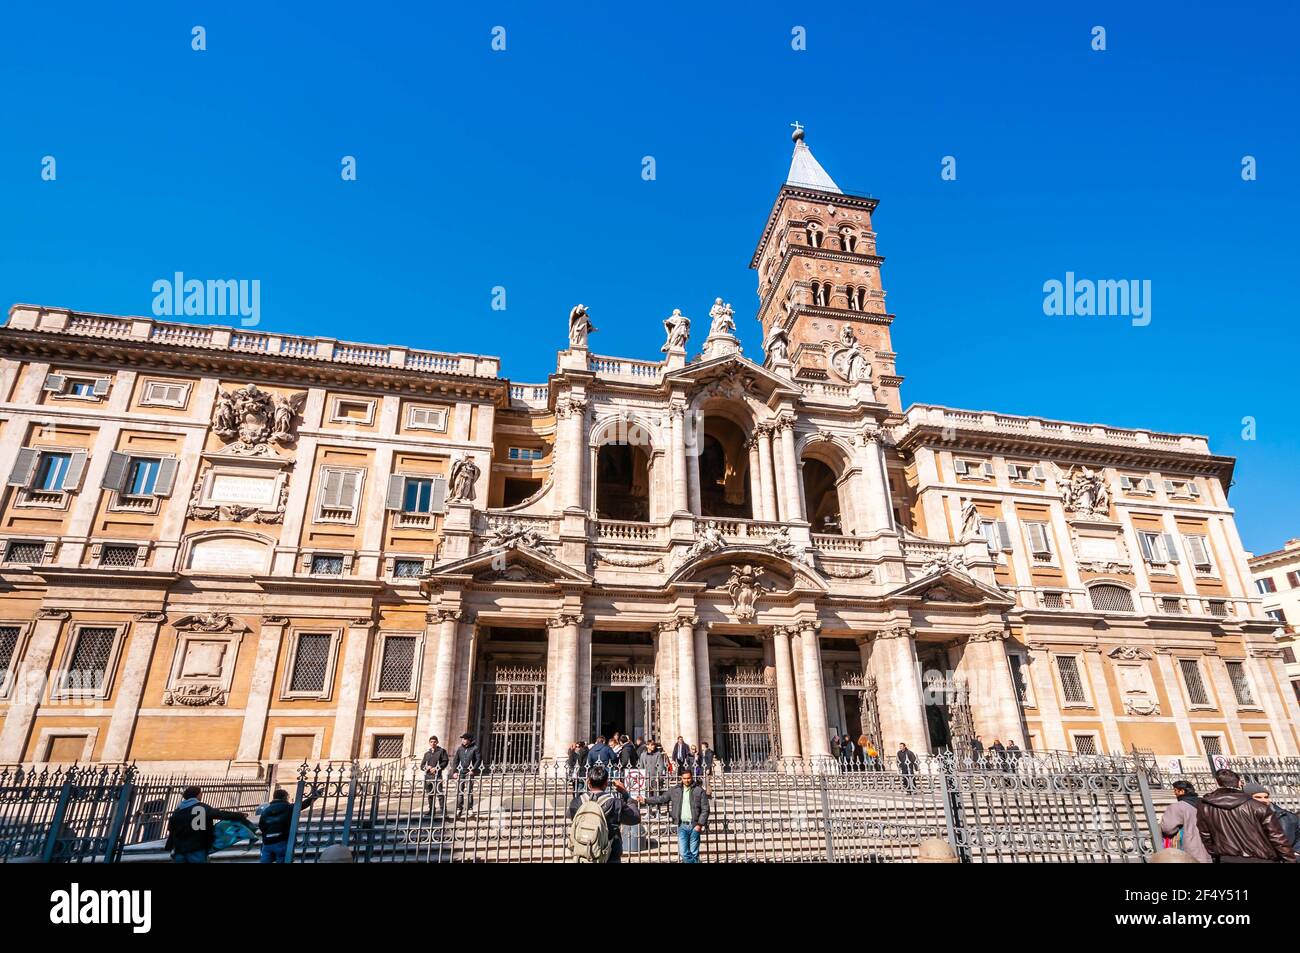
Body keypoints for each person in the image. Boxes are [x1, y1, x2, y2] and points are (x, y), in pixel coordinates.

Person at [1197, 769, 1295, 863]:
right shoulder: (1258, 806)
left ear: (1217, 783)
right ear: (1239, 783)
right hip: (1262, 857)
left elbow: (1206, 836)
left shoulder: (1205, 806)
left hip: (1227, 858)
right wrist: (1289, 859)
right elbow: (1277, 837)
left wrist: (1217, 853)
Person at [566, 764, 640, 863]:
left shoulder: (577, 802)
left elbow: (570, 815)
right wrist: (625, 794)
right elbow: (635, 818)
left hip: (584, 853)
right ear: (606, 783)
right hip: (610, 854)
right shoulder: (615, 803)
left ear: (588, 782)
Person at [639, 768, 710, 864]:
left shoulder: (699, 790)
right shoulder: (675, 790)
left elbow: (705, 809)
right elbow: (662, 798)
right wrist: (646, 800)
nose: (687, 780)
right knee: (684, 853)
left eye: (688, 778)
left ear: (692, 777)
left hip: (695, 825)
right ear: (681, 778)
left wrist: (700, 824)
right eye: (684, 778)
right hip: (682, 825)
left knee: (694, 853)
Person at [165, 786, 252, 863]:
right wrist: (239, 815)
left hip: (179, 850)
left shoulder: (178, 810)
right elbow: (220, 814)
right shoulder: (201, 808)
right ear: (197, 794)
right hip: (197, 848)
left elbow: (171, 829)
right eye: (201, 793)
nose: (201, 795)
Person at [256, 786, 318, 864]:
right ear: (285, 797)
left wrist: (268, 833)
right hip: (282, 840)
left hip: (267, 842)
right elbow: (304, 804)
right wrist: (316, 794)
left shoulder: (266, 810)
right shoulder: (289, 807)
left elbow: (261, 825)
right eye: (288, 796)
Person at [1245, 783, 1300, 860]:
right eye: (1258, 797)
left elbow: (1298, 836)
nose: (1263, 800)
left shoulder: (1288, 817)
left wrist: (1297, 852)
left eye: (1266, 797)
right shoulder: (1241, 817)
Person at [1159, 779, 1210, 863]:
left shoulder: (1177, 807)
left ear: (1182, 791)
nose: (1174, 793)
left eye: (1175, 790)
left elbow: (1167, 829)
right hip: (1211, 848)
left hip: (1191, 850)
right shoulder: (1206, 804)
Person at [450, 733, 483, 816]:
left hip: (470, 771)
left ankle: (469, 808)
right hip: (461, 771)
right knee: (460, 791)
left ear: (469, 740)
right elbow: (455, 760)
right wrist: (454, 771)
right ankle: (459, 808)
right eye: (462, 739)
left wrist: (473, 770)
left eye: (465, 739)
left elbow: (478, 760)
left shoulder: (475, 748)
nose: (463, 740)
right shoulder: (460, 749)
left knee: (469, 791)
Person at [420, 735, 449, 816]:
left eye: (435, 742)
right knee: (430, 794)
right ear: (429, 743)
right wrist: (426, 767)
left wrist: (437, 768)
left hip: (437, 775)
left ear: (437, 742)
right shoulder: (427, 753)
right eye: (431, 742)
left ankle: (443, 811)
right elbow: (422, 765)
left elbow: (445, 762)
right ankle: (431, 810)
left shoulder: (442, 751)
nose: (433, 743)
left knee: (440, 794)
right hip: (428, 776)